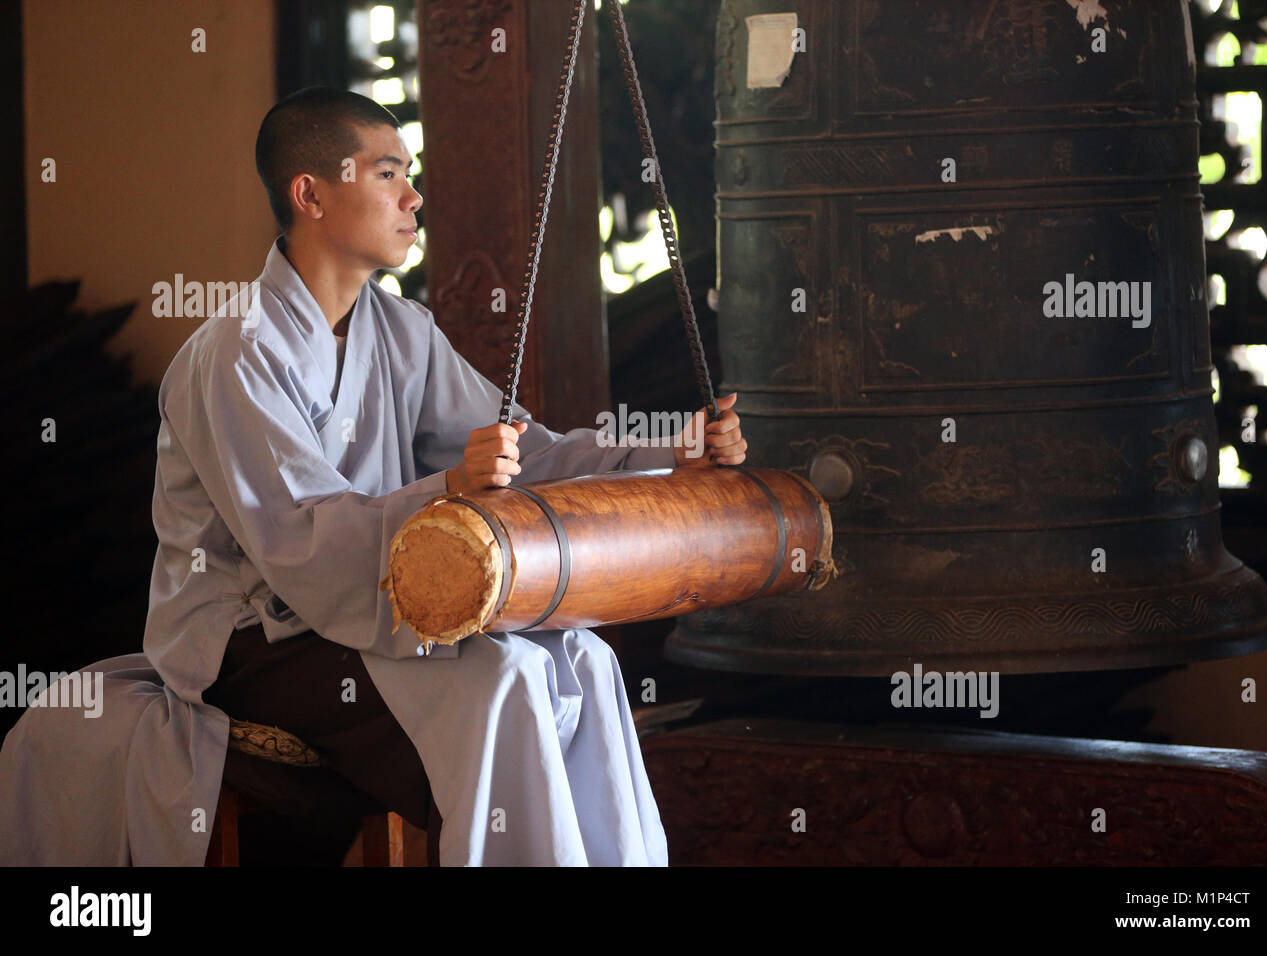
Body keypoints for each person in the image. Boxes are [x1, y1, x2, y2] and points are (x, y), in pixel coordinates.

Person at [0, 87, 746, 866]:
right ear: (311, 194)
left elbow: (532, 453)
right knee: (504, 676)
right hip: (260, 634)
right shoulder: (236, 352)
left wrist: (664, 454)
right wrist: (450, 488)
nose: (413, 196)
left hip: (374, 604)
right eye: (389, 173)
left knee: (582, 656)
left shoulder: (401, 330)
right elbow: (301, 539)